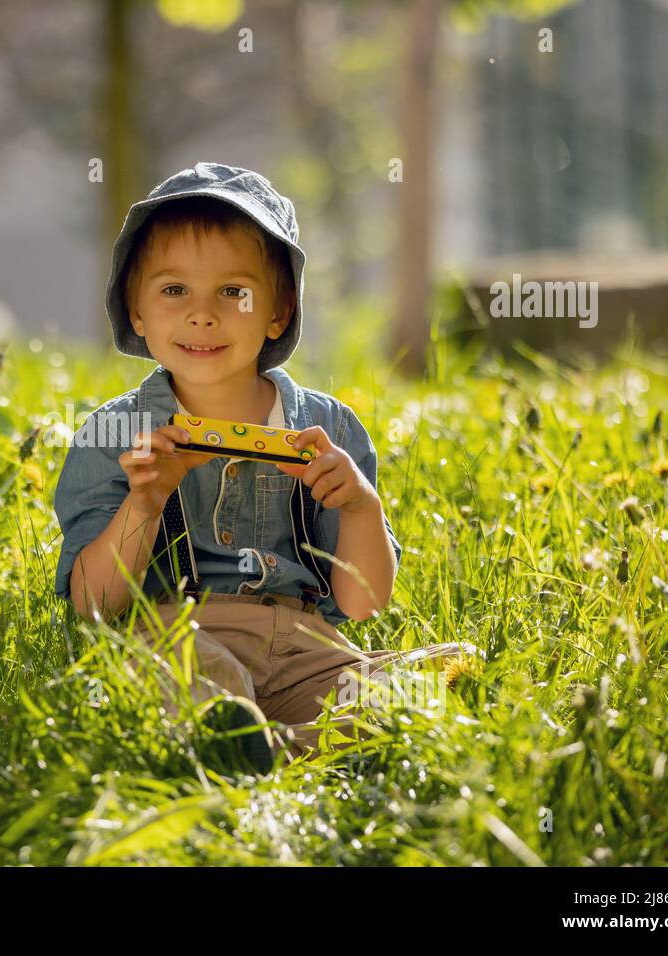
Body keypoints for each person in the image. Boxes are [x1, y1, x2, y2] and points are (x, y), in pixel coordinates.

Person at [53, 162, 471, 774]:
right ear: (136, 312)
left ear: (278, 311)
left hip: (306, 647)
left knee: (417, 683)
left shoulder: (329, 428)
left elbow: (362, 604)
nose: (203, 314)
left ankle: (262, 750)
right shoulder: (115, 434)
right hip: (179, 633)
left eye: (234, 292)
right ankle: (269, 740)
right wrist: (143, 505)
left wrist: (360, 507)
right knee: (170, 668)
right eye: (173, 291)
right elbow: (92, 605)